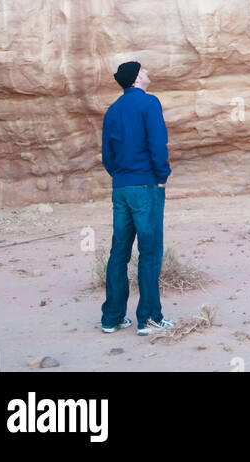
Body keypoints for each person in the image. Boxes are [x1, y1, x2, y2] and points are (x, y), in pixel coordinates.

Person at [100, 60, 174, 335]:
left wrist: (120, 176)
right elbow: (157, 142)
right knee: (150, 251)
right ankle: (149, 318)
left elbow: (107, 154)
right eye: (143, 70)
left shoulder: (113, 110)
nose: (148, 72)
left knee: (119, 252)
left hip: (121, 187)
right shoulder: (149, 103)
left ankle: (112, 318)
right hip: (146, 185)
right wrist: (161, 175)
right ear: (135, 79)